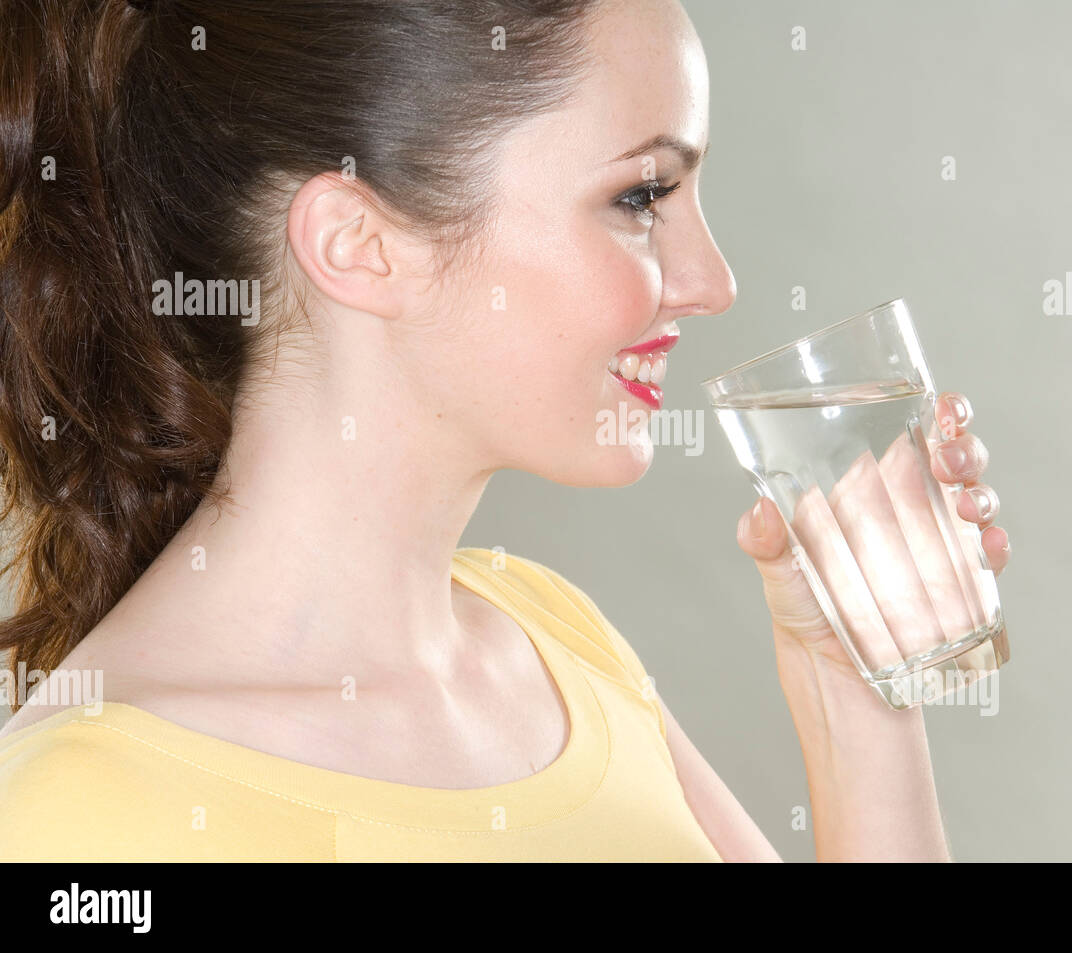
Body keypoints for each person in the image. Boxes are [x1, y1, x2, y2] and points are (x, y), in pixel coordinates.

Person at [0, 0, 1010, 861]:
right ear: (359, 246)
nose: (713, 281)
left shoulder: (558, 645)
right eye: (640, 196)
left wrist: (855, 687)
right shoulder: (84, 818)